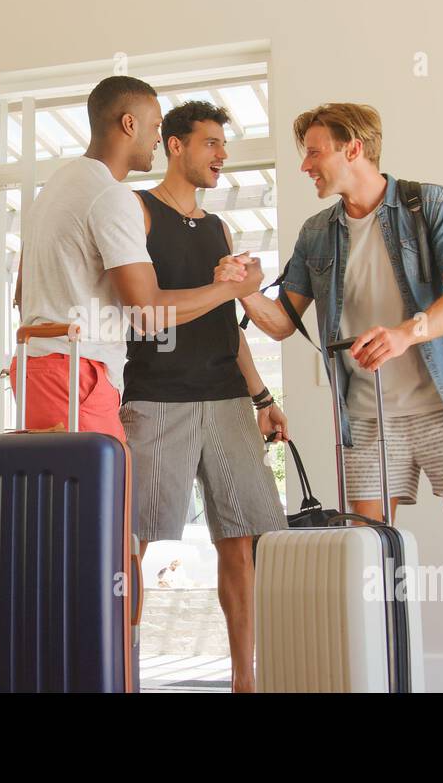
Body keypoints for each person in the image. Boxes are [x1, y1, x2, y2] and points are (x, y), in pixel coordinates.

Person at [237, 102, 443, 692]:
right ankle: (378, 679)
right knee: (367, 558)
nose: (305, 165)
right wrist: (242, 291)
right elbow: (283, 321)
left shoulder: (428, 204)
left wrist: (405, 333)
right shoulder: (318, 233)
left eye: (314, 151)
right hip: (366, 419)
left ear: (353, 149)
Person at [123, 101, 287, 694]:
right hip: (157, 398)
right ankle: (125, 675)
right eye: (211, 143)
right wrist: (224, 287)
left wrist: (263, 396)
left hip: (227, 399)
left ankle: (245, 680)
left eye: (224, 144)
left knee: (241, 543)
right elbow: (147, 313)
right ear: (174, 145)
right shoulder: (138, 210)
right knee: (132, 547)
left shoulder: (219, 228)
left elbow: (230, 328)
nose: (222, 154)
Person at [12, 76, 262, 441]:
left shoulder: (55, 189)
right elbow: (147, 313)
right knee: (98, 495)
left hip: (37, 370)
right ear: (129, 124)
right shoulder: (111, 196)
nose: (158, 139)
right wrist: (232, 288)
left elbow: (21, 292)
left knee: (59, 495)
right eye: (156, 126)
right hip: (77, 374)